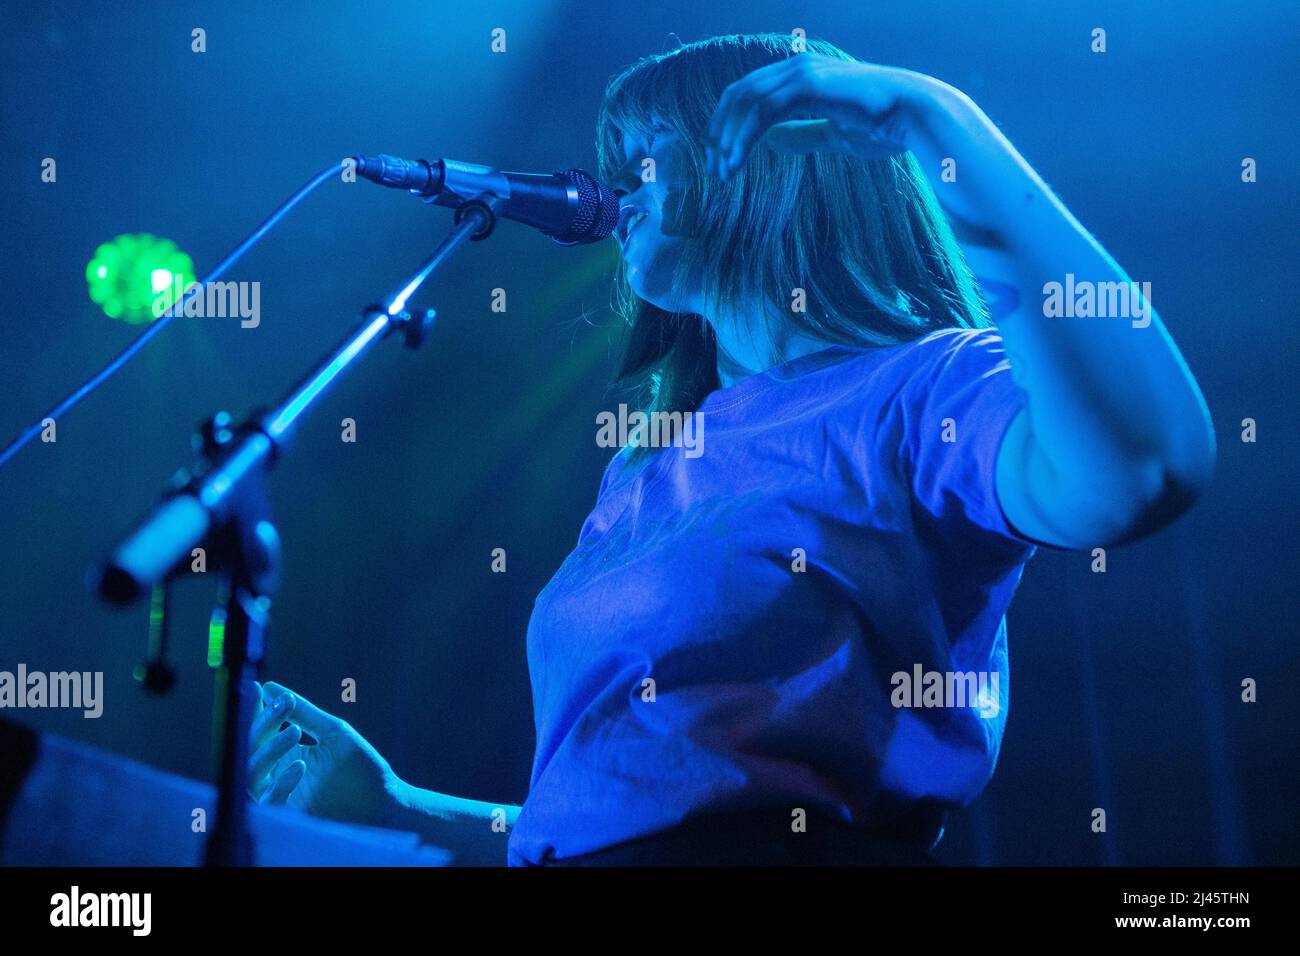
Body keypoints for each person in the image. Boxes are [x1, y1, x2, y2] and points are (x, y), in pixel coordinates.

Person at [246, 33, 1215, 866]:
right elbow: (631, 811)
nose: (614, 187)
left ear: (781, 158)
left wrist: (938, 118)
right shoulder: (645, 465)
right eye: (611, 159)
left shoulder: (925, 388)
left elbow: (1140, 469)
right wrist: (404, 811)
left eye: (648, 153)